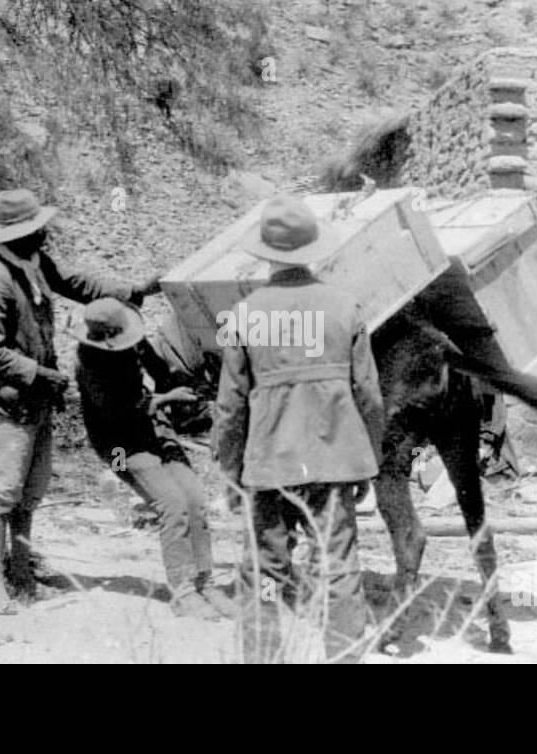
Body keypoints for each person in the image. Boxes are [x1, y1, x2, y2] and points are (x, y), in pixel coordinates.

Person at [211, 195, 385, 660]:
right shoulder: (345, 306)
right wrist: (368, 460)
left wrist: (230, 471)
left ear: (265, 253)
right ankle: (344, 656)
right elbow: (369, 394)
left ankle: (265, 656)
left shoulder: (243, 315)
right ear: (313, 249)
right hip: (334, 459)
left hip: (270, 464)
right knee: (338, 565)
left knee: (265, 570)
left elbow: (230, 407)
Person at [0, 188, 159, 615]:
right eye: (37, 230)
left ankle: (22, 573)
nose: (45, 236)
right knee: (0, 491)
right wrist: (40, 374)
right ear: (17, 235)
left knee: (29, 491)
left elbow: (78, 284)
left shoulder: (35, 264)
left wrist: (134, 290)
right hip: (11, 402)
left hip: (37, 400)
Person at [73, 298, 237, 620]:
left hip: (151, 430)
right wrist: (166, 399)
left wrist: (186, 386)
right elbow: (119, 412)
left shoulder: (131, 342)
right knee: (172, 504)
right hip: (117, 446)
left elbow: (161, 370)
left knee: (194, 498)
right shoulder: (88, 364)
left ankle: (205, 582)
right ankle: (183, 592)